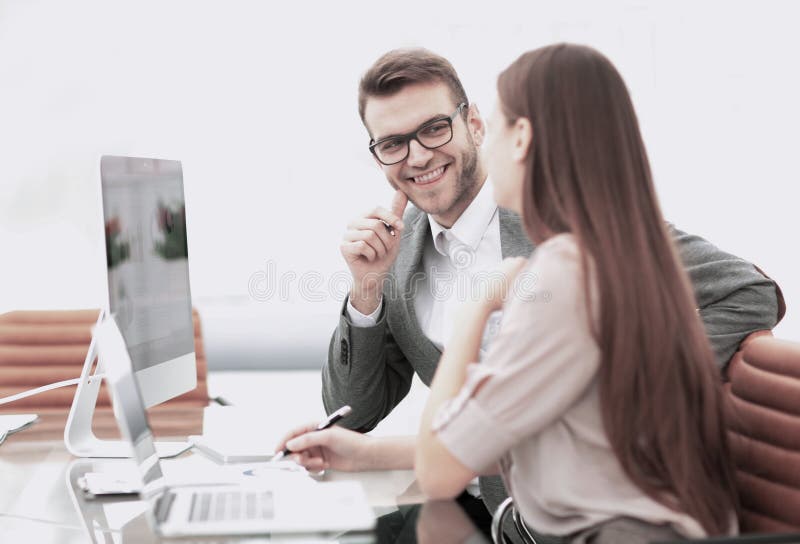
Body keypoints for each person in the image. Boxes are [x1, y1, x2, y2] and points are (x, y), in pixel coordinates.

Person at [278, 47, 780, 528]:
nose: (418, 155)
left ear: (476, 125)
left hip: (582, 519)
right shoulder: (397, 252)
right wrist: (367, 288)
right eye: (393, 144)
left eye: (434, 128)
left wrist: (634, 393)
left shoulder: (574, 231)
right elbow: (357, 413)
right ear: (378, 156)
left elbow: (748, 291)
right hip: (482, 509)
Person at [412, 43, 741, 542]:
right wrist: (362, 454)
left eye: (494, 127)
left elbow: (438, 471)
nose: (487, 148)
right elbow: (500, 437)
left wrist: (474, 311)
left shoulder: (564, 272)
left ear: (521, 137)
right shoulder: (617, 254)